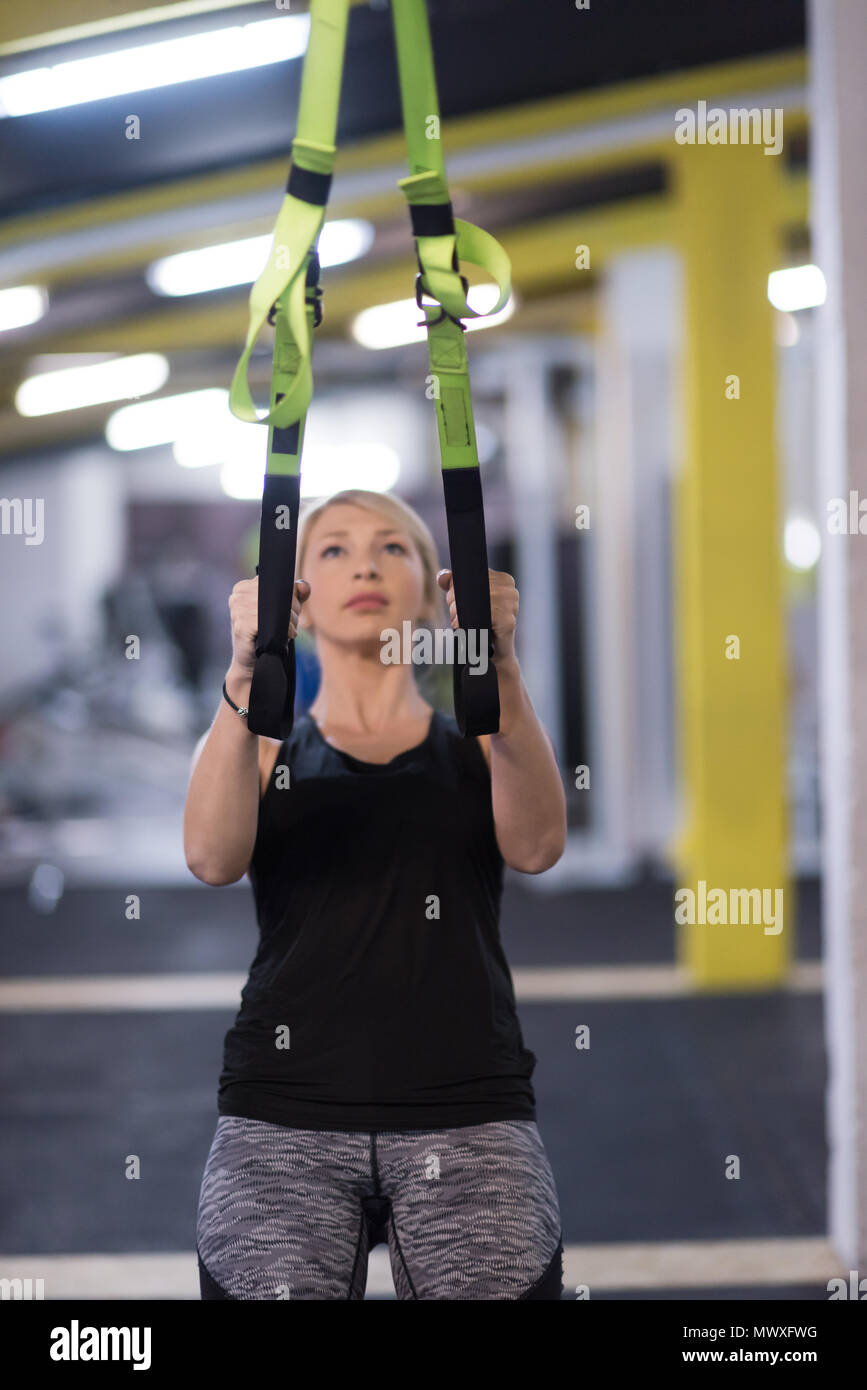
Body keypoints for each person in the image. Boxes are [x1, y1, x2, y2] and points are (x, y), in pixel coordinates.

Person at [184, 487, 567, 1300]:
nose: (364, 562)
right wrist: (245, 668)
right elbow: (211, 858)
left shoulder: (481, 738)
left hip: (467, 1103)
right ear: (299, 599)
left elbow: (537, 846)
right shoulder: (258, 742)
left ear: (435, 592)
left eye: (393, 547)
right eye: (333, 549)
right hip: (282, 1109)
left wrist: (497, 660)